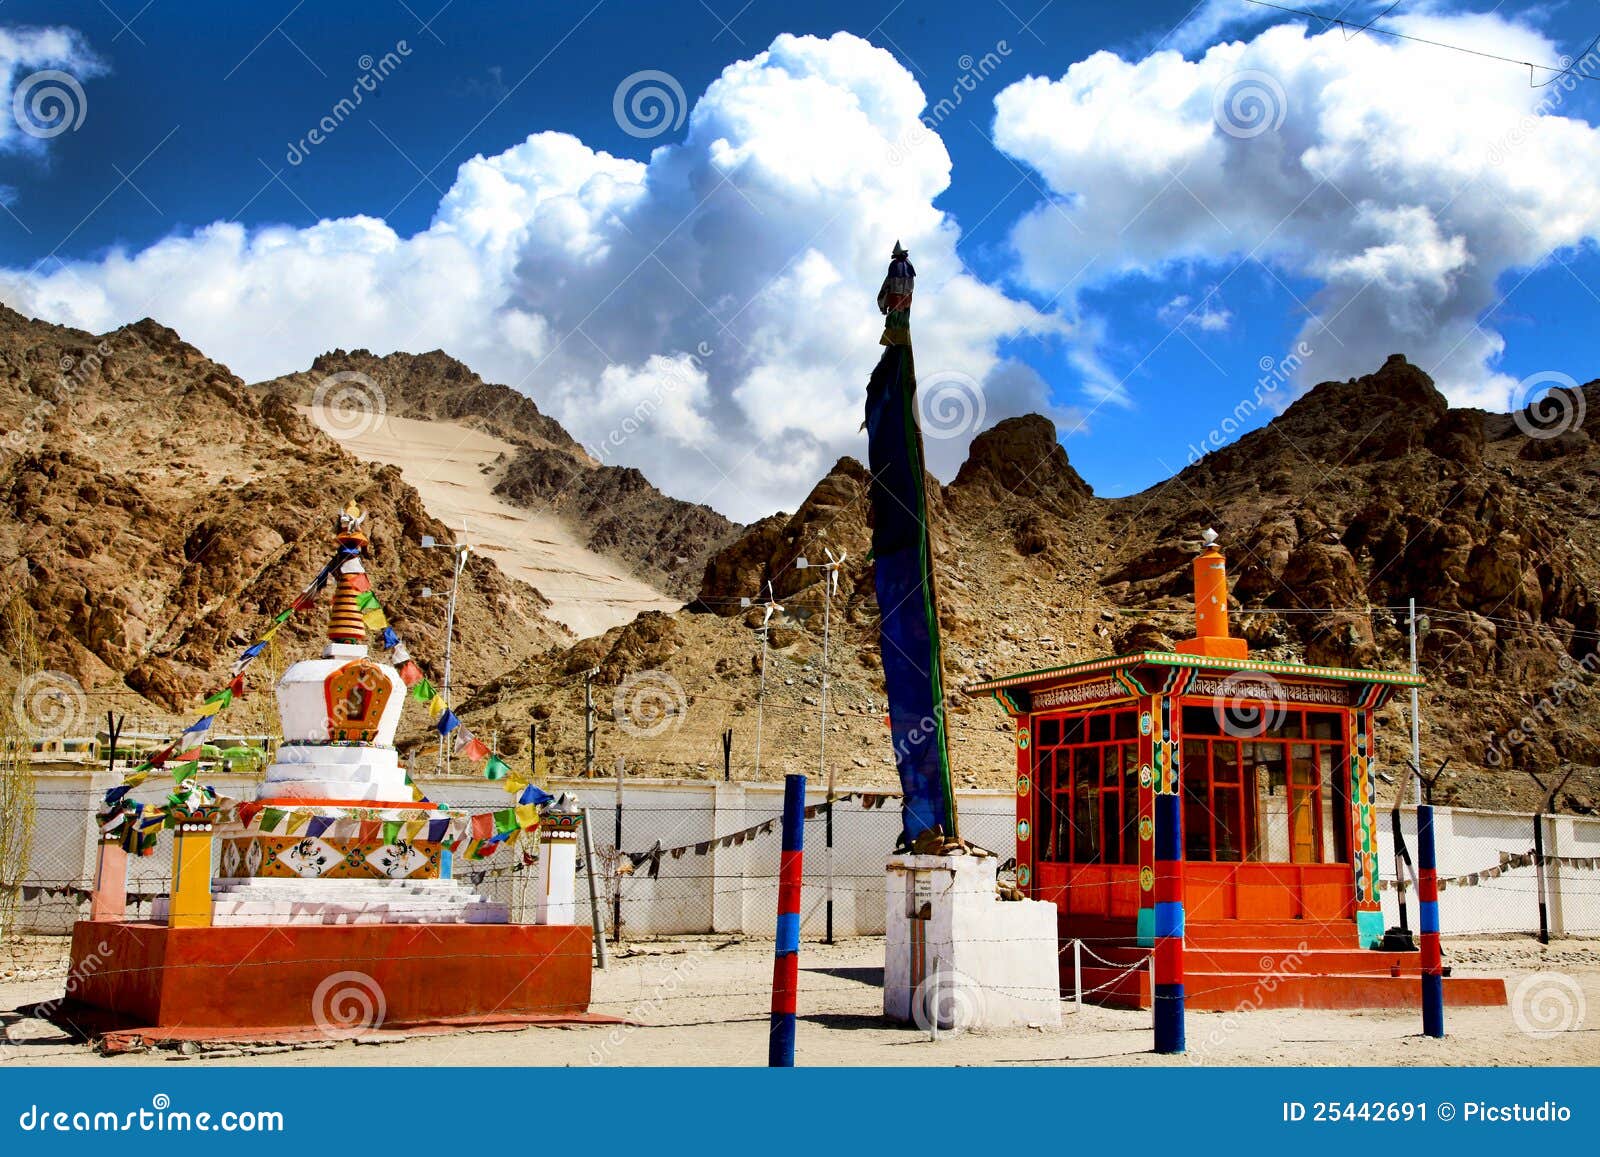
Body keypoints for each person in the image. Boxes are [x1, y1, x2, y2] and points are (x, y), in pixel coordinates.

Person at [877, 240, 915, 346]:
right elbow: (888, 284)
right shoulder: (907, 265)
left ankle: (897, 339)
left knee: (898, 319)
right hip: (902, 297)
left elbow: (887, 286)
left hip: (901, 298)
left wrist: (882, 304)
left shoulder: (902, 265)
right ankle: (896, 339)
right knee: (899, 319)